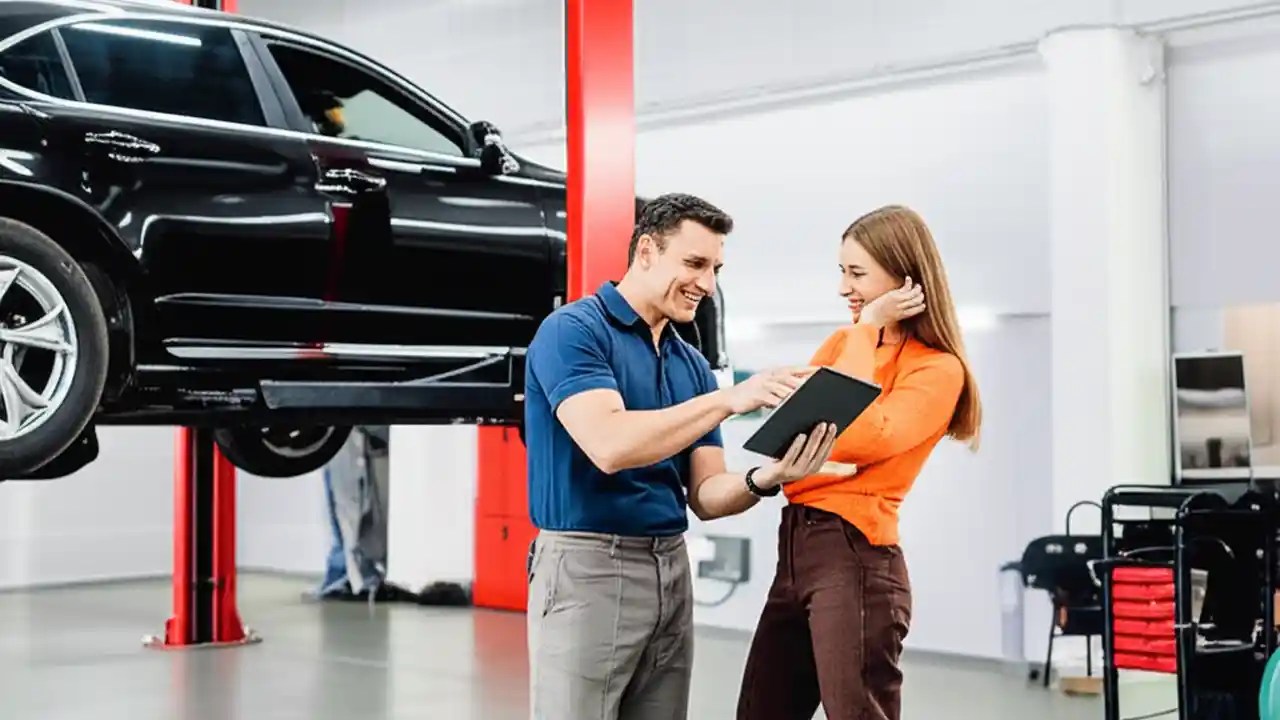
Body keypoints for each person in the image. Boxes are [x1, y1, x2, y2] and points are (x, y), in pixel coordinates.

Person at [523, 193, 841, 720]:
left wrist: (768, 477)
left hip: (670, 565)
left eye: (715, 268)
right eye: (694, 264)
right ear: (646, 250)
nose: (707, 284)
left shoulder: (689, 363)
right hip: (587, 567)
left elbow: (708, 495)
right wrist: (726, 398)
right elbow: (610, 445)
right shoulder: (573, 332)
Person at [735, 205, 983, 720]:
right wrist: (825, 449)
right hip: (795, 547)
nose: (844, 288)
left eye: (857, 274)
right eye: (841, 272)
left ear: (903, 278)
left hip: (856, 557)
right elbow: (792, 434)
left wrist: (867, 326)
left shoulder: (938, 370)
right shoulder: (845, 343)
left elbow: (845, 429)